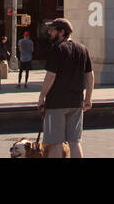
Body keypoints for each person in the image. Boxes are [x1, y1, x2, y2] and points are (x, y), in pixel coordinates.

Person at [36, 18, 93, 158]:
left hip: (56, 102)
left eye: (53, 29)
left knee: (55, 142)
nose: (50, 32)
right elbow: (90, 75)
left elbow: (51, 76)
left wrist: (42, 96)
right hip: (76, 102)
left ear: (62, 32)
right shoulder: (82, 49)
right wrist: (88, 98)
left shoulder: (57, 49)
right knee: (75, 141)